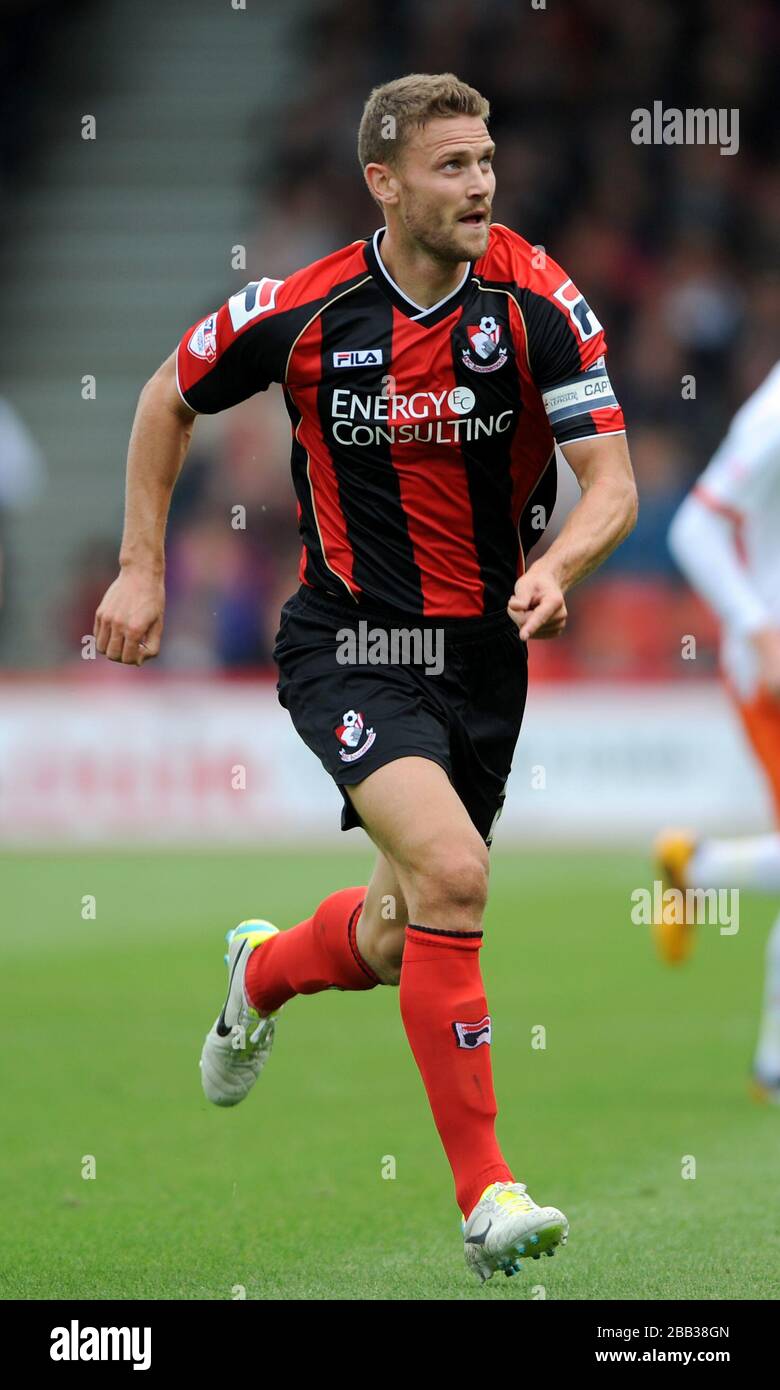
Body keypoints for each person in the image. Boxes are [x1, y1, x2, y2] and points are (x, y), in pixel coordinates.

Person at [94, 73, 637, 1282]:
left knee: (401, 937)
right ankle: (487, 1193)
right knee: (456, 872)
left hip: (485, 662)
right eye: (452, 166)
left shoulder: (537, 298)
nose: (481, 182)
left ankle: (261, 970)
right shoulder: (306, 309)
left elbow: (613, 483)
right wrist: (143, 570)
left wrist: (559, 566)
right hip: (348, 645)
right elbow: (162, 397)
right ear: (383, 184)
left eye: (487, 158)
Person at [656, 360, 780, 1103]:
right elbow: (693, 526)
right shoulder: (772, 417)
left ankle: (698, 869)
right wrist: (754, 625)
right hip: (772, 670)